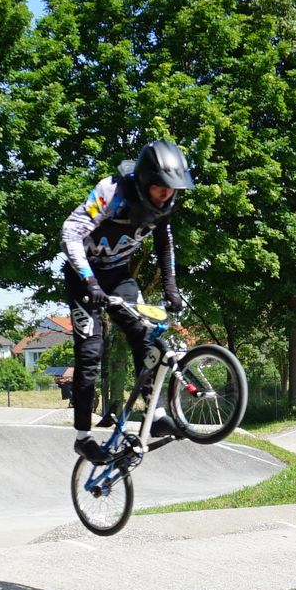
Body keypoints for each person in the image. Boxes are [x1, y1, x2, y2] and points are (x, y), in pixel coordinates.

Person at [61, 139, 195, 463]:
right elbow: (70, 232)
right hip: (85, 279)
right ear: (146, 181)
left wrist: (171, 289)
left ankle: (157, 412)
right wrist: (89, 281)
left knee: (145, 336)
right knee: (91, 353)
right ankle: (83, 437)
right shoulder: (111, 192)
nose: (168, 196)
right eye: (162, 189)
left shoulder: (164, 207)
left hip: (119, 275)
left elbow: (165, 245)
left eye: (173, 190)